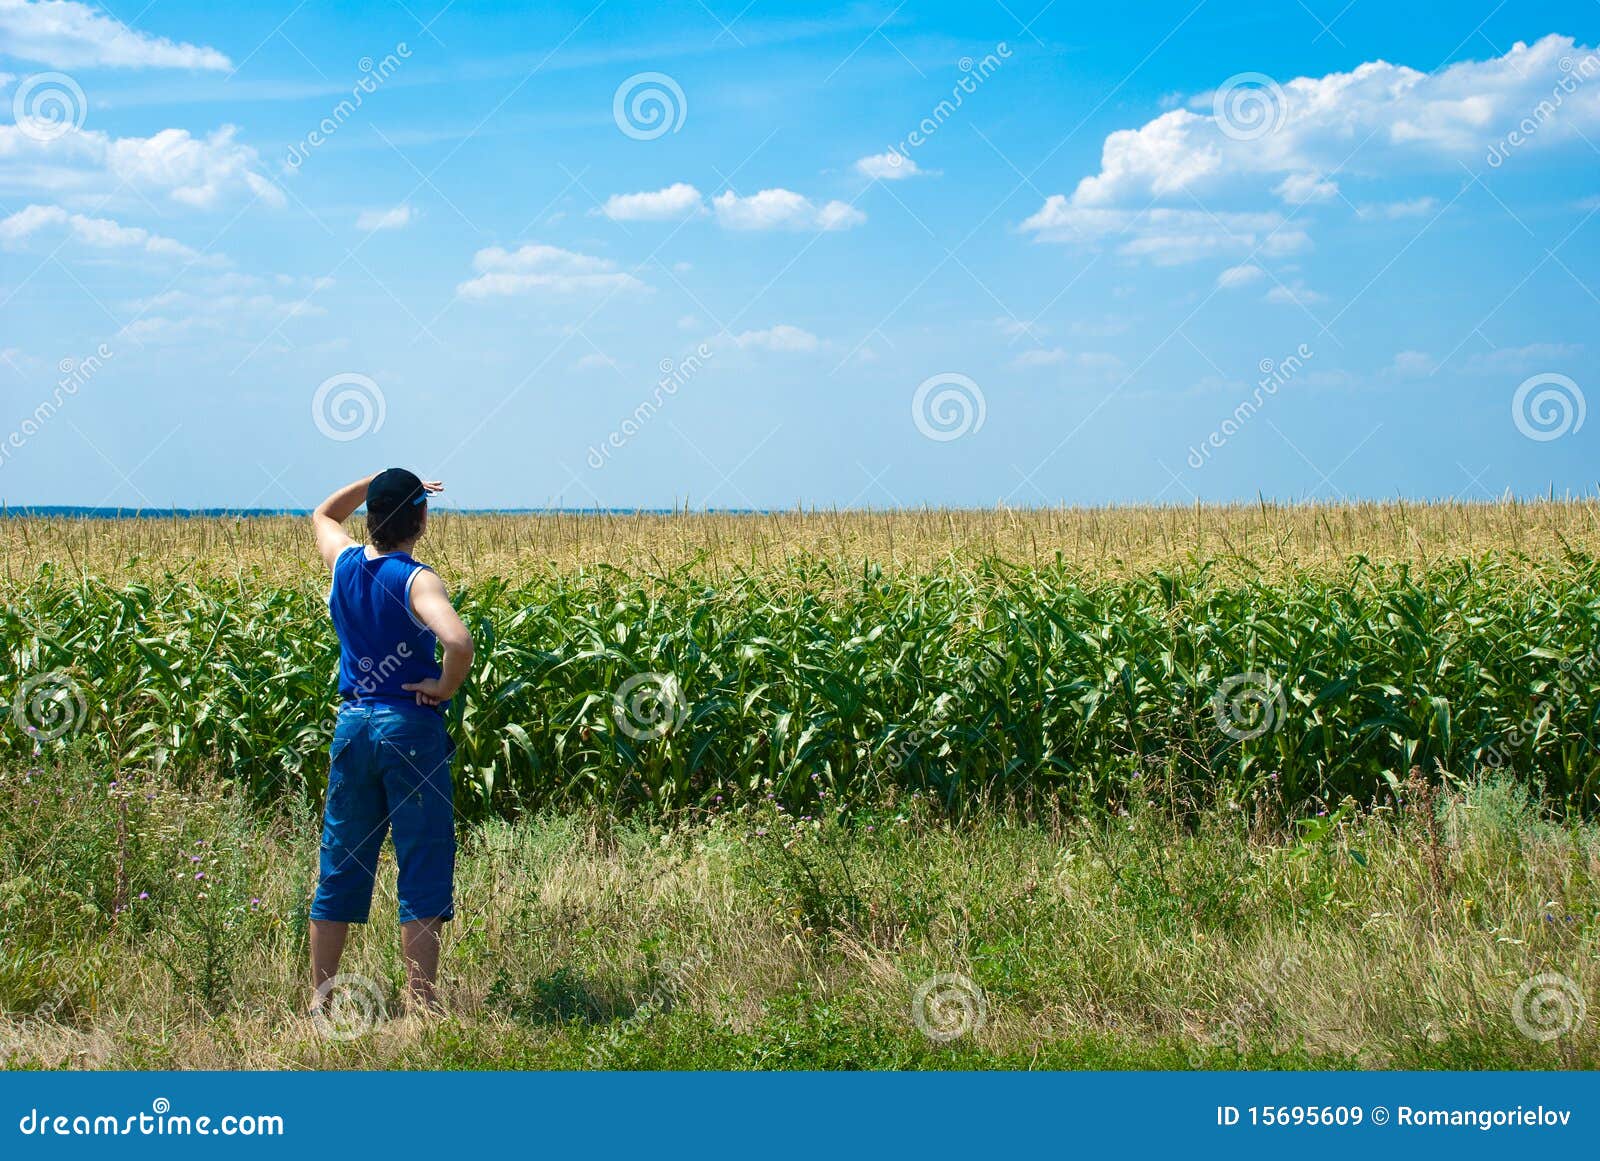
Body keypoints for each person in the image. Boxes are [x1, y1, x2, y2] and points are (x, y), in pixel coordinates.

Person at [307, 468, 474, 1014]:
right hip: (409, 728)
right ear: (420, 521)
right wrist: (443, 686)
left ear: (373, 518)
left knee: (342, 861)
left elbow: (324, 514)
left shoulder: (345, 564)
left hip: (354, 725)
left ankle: (322, 1002)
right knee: (421, 857)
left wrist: (375, 479)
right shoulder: (417, 579)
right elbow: (457, 640)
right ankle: (422, 1003)